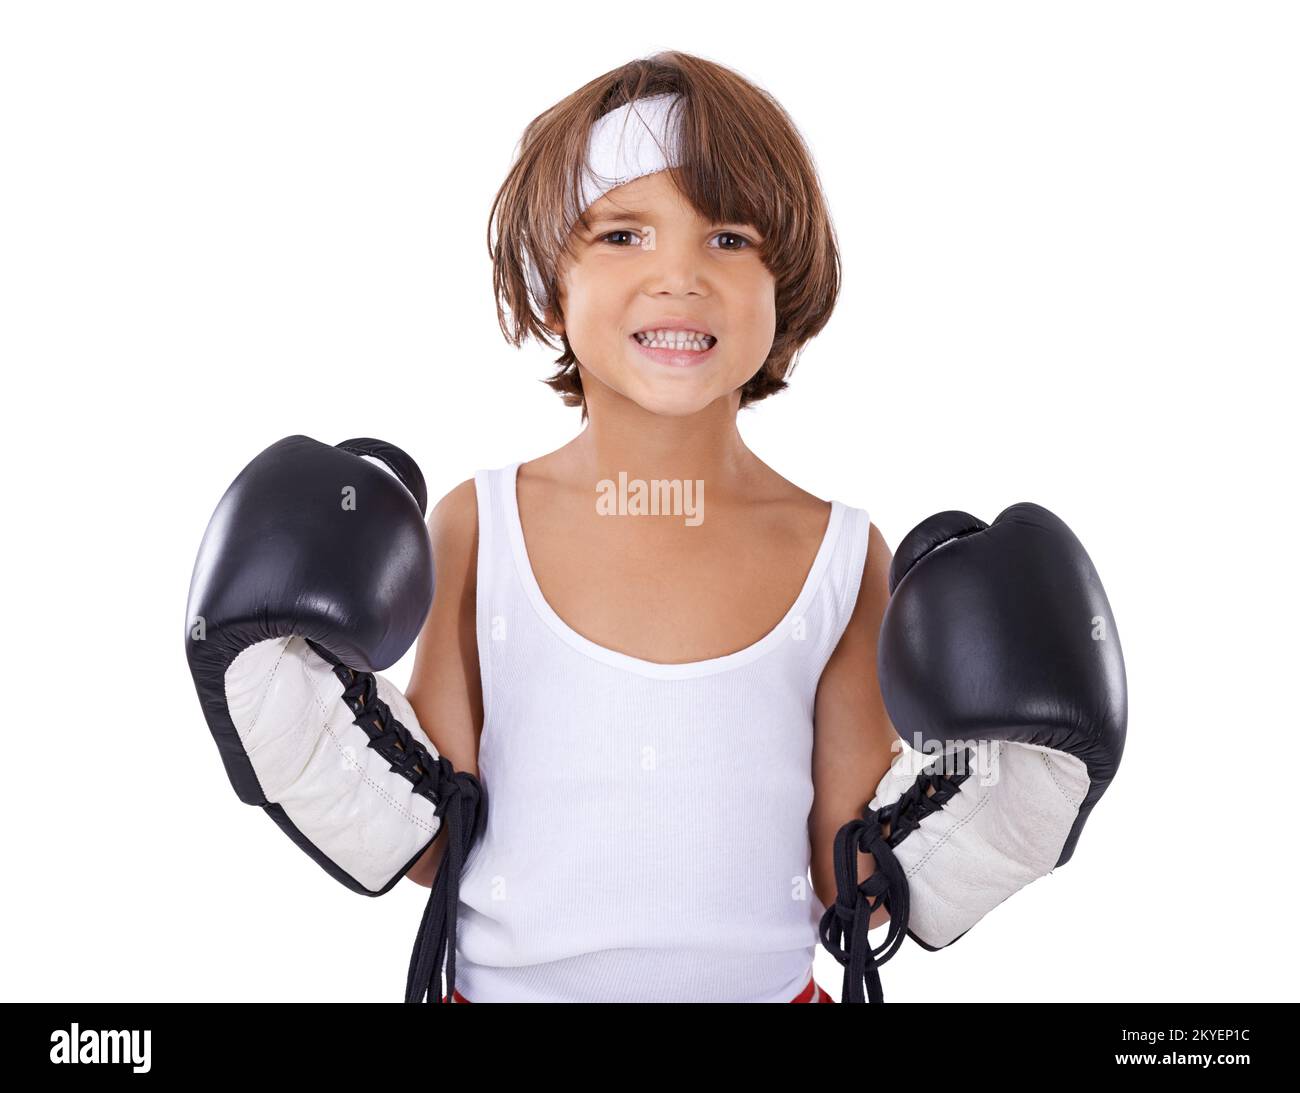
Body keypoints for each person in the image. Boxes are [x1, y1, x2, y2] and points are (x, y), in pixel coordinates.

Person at [188, 50, 1124, 1005]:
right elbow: (432, 831)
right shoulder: (479, 525)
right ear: (555, 283)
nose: (679, 276)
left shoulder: (843, 553)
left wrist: (1009, 791)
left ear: (784, 286)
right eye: (626, 234)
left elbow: (851, 878)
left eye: (728, 238)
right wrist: (287, 708)